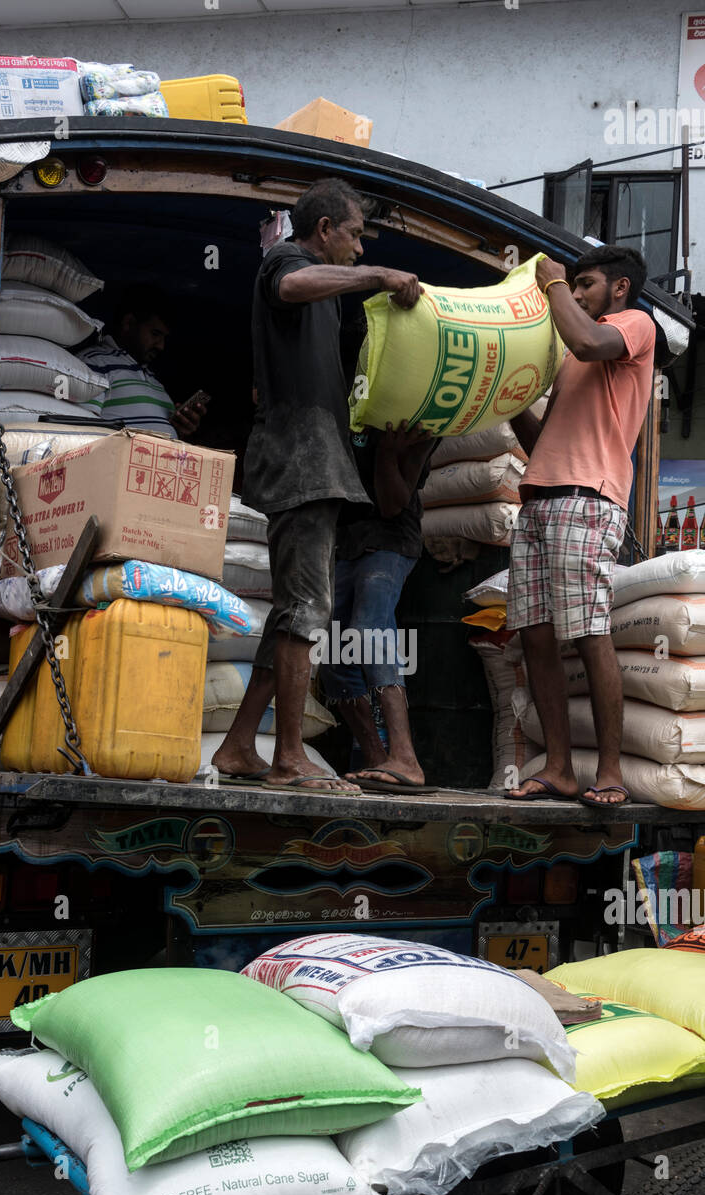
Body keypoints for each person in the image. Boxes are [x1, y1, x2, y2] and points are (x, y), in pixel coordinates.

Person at [210, 177, 422, 793]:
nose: (359, 249)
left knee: (290, 615)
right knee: (306, 612)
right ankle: (289, 760)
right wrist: (378, 276)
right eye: (354, 235)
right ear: (325, 229)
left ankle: (239, 746)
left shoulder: (326, 297)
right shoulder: (290, 259)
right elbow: (288, 285)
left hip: (313, 459)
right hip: (300, 462)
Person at [504, 244, 656, 807]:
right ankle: (561, 769)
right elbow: (541, 443)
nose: (578, 291)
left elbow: (590, 341)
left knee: (589, 630)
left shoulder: (632, 325)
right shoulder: (572, 358)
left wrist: (552, 284)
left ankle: (610, 773)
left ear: (618, 288)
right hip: (540, 496)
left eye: (586, 283)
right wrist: (510, 399)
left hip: (588, 498)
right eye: (576, 285)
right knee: (535, 636)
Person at [319, 419, 434, 793]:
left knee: (369, 631)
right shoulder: (350, 410)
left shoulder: (423, 425)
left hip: (390, 541)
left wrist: (387, 450)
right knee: (334, 656)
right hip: (345, 543)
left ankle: (405, 757)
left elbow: (392, 503)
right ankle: (375, 758)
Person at [79, 285, 206, 439]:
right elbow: (83, 430)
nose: (161, 346)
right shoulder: (95, 363)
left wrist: (180, 428)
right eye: (155, 334)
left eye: (164, 338)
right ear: (129, 323)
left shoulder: (154, 380)